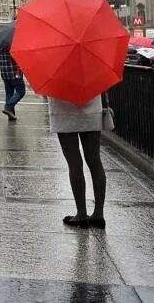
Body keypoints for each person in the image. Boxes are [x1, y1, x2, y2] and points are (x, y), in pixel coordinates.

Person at [50, 93, 107, 229]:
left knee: (74, 163)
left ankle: (81, 213)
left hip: (63, 110)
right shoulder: (93, 69)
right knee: (95, 161)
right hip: (92, 108)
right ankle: (98, 213)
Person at [0, 45, 25, 121]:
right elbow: (19, 58)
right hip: (15, 73)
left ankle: (11, 115)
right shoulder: (14, 45)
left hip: (4, 73)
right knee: (21, 91)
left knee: (9, 93)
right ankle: (8, 107)